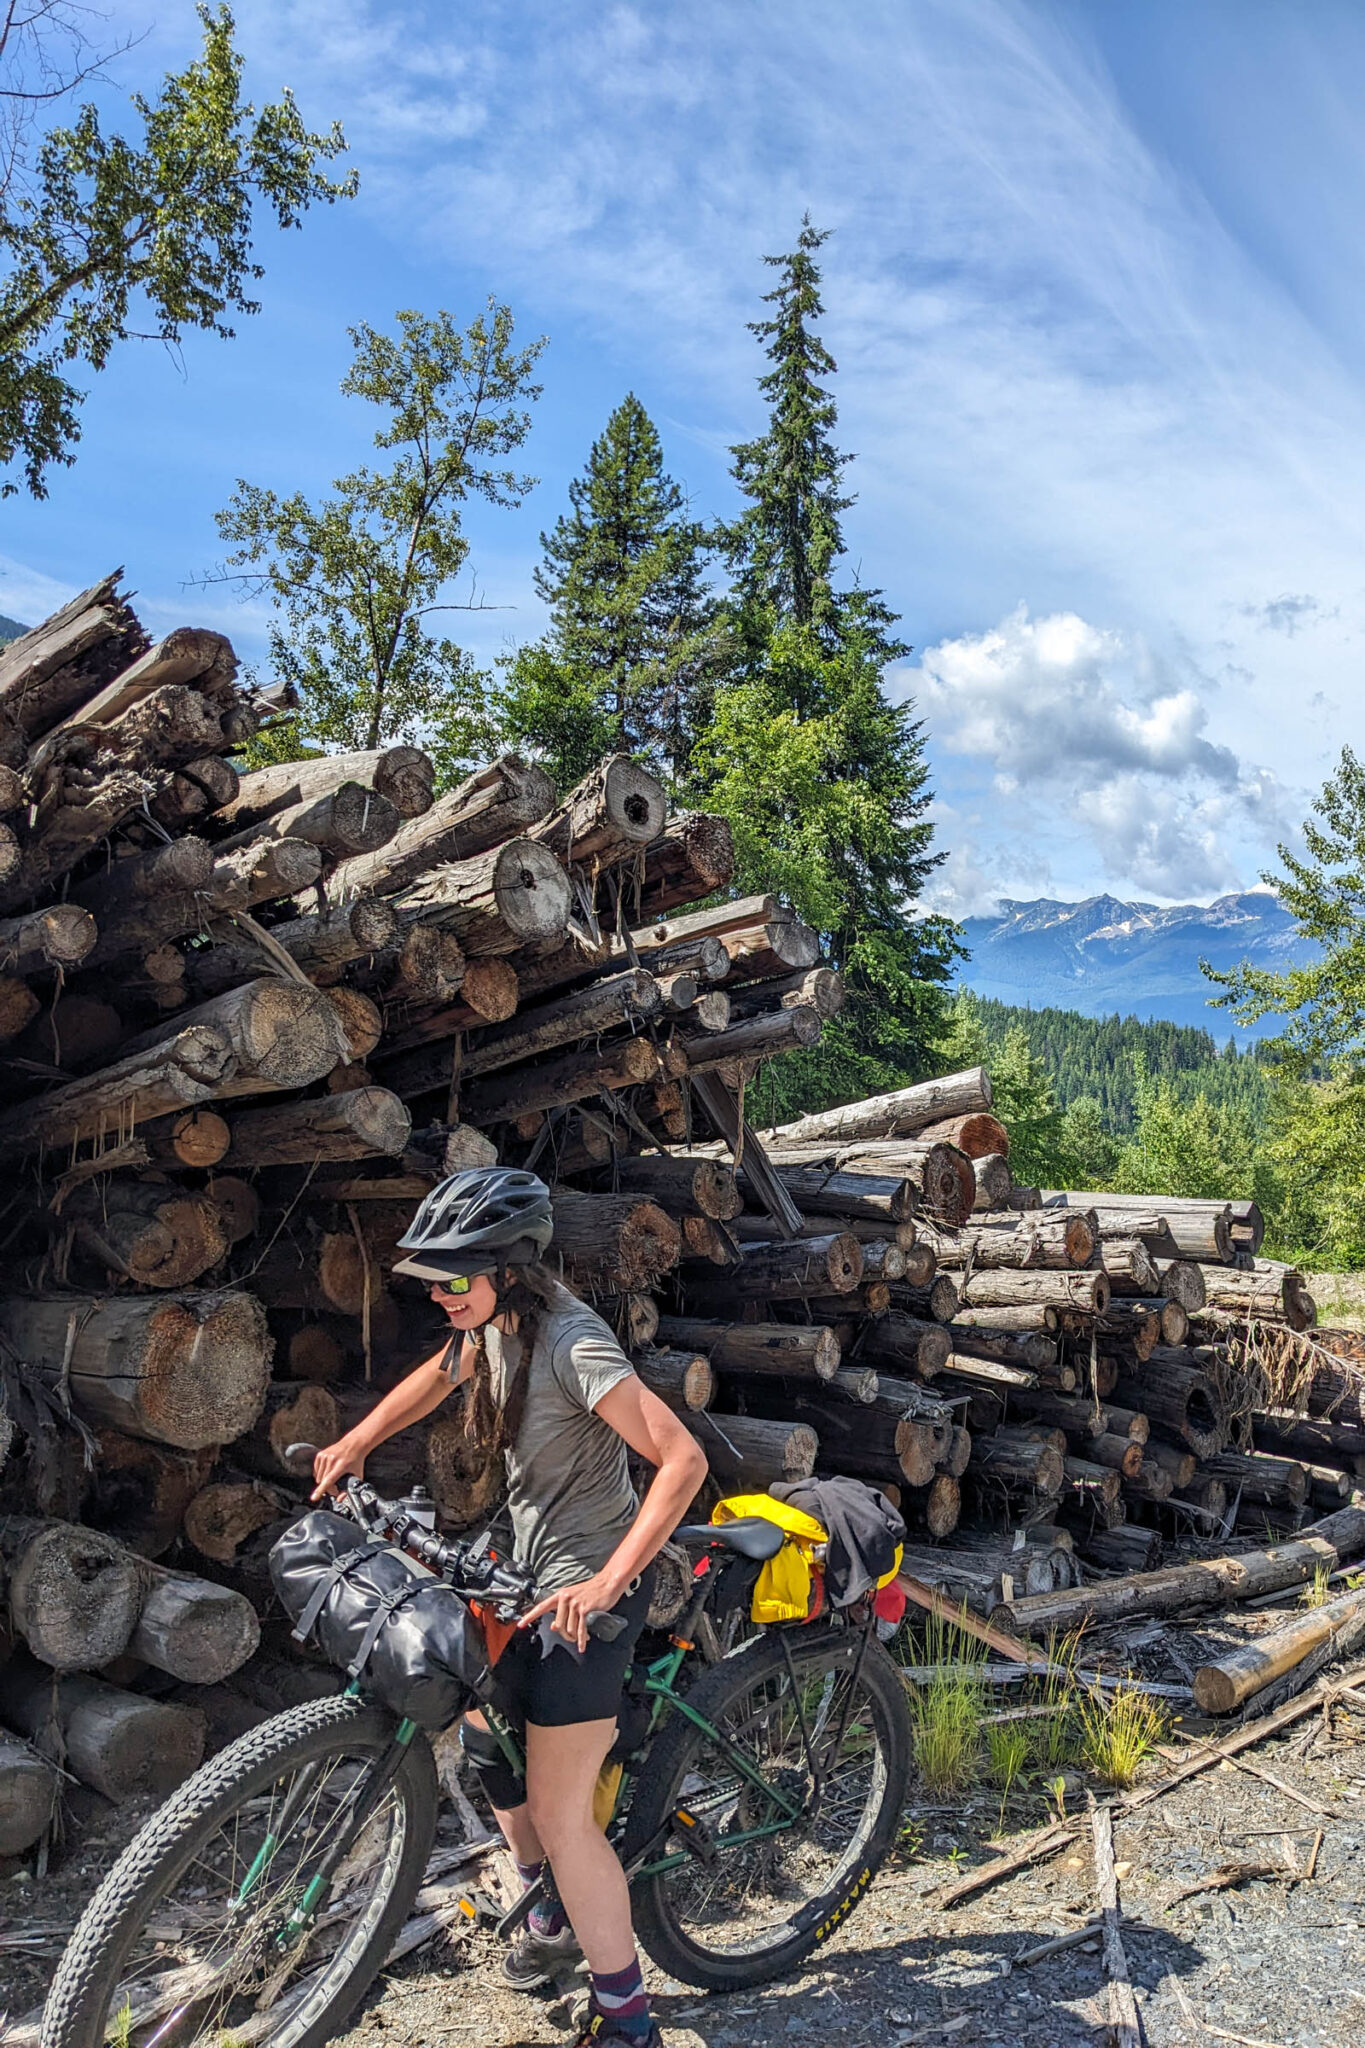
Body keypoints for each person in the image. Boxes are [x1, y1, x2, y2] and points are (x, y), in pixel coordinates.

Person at [310, 1167, 707, 2048]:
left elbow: (681, 1461)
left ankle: (626, 2017)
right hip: (520, 1572)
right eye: (432, 1281)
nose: (440, 1296)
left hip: (588, 1589)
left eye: (455, 1279)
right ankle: (551, 1914)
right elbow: (442, 1374)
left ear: (510, 1268)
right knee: (490, 1745)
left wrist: (606, 1584)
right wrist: (357, 1439)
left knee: (565, 1820)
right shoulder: (491, 1322)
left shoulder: (572, 1343)